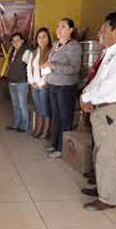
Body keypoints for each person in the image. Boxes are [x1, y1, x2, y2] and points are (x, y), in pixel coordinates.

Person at [80, 12, 116, 211]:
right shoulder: (111, 52)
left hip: (111, 109)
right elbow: (98, 80)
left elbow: (110, 86)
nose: (101, 32)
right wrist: (86, 96)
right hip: (101, 107)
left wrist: (89, 99)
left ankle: (107, 198)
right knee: (100, 151)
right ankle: (100, 187)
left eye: (104, 29)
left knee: (107, 154)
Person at [44, 18, 82, 158]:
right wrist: (47, 66)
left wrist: (54, 66)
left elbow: (74, 69)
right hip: (53, 84)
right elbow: (52, 62)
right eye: (58, 26)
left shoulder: (74, 46)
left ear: (71, 30)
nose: (59, 29)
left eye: (63, 26)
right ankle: (54, 144)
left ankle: (62, 148)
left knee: (65, 118)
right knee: (56, 117)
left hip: (65, 87)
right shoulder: (56, 44)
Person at [1, 33, 31, 133]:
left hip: (22, 82)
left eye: (17, 40)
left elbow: (30, 68)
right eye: (13, 41)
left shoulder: (26, 52)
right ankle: (16, 124)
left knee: (22, 105)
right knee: (15, 105)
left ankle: (24, 126)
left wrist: (30, 81)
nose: (15, 43)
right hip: (12, 82)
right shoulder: (13, 51)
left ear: (22, 41)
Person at [27, 27, 53, 140]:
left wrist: (40, 84)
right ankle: (38, 129)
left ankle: (45, 131)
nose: (42, 39)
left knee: (44, 109)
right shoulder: (34, 52)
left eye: (44, 37)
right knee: (38, 108)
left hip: (44, 86)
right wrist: (31, 82)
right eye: (39, 37)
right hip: (34, 85)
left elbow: (49, 72)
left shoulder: (51, 51)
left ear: (48, 38)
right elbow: (28, 68)